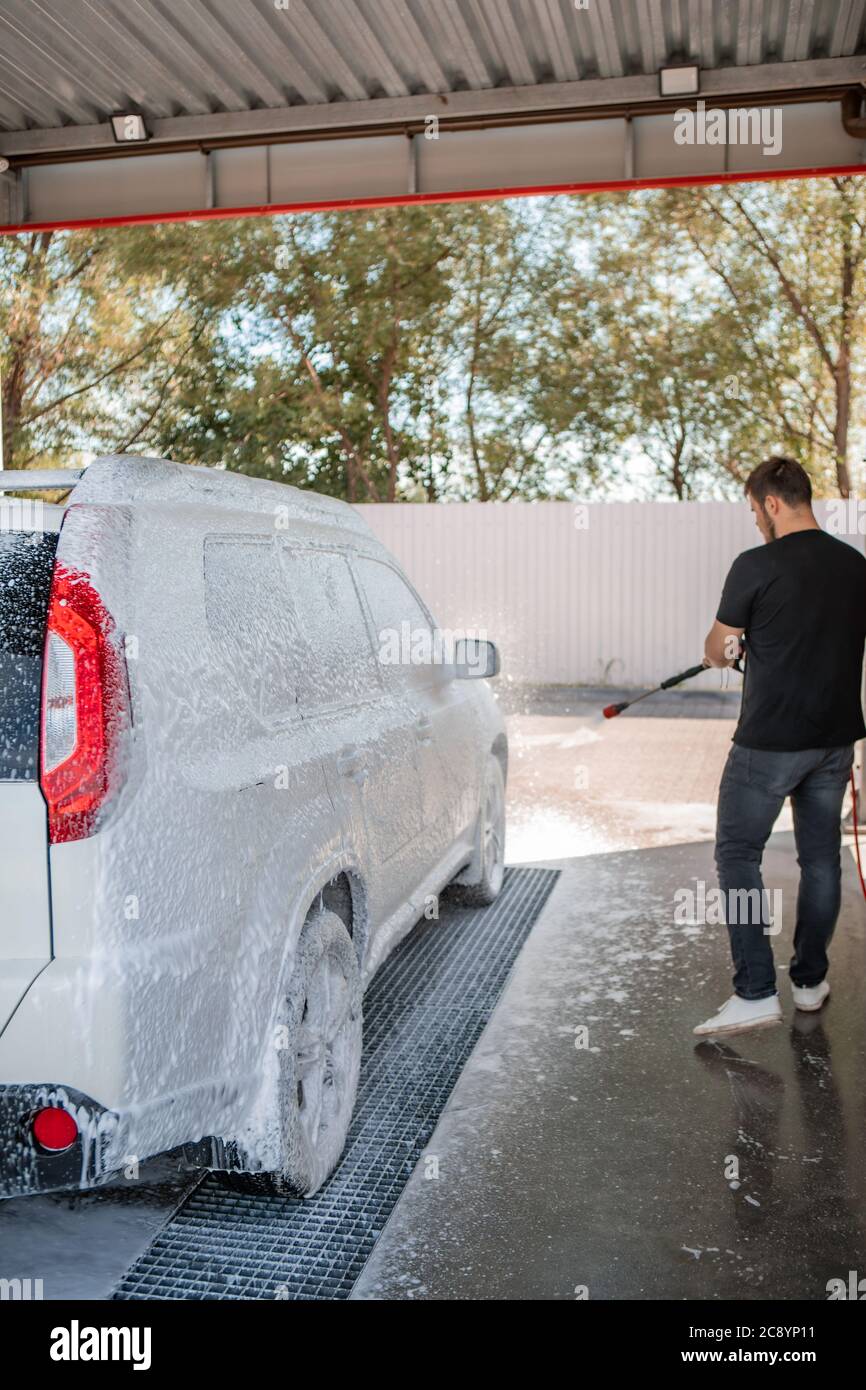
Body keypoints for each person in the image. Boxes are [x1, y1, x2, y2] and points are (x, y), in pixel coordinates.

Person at [694, 456, 866, 1036]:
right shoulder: (855, 566)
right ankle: (810, 982)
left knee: (738, 854)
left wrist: (723, 652)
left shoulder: (755, 564)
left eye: (753, 510)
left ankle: (755, 991)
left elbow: (719, 647)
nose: (754, 521)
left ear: (770, 503)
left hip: (768, 745)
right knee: (820, 860)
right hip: (834, 743)